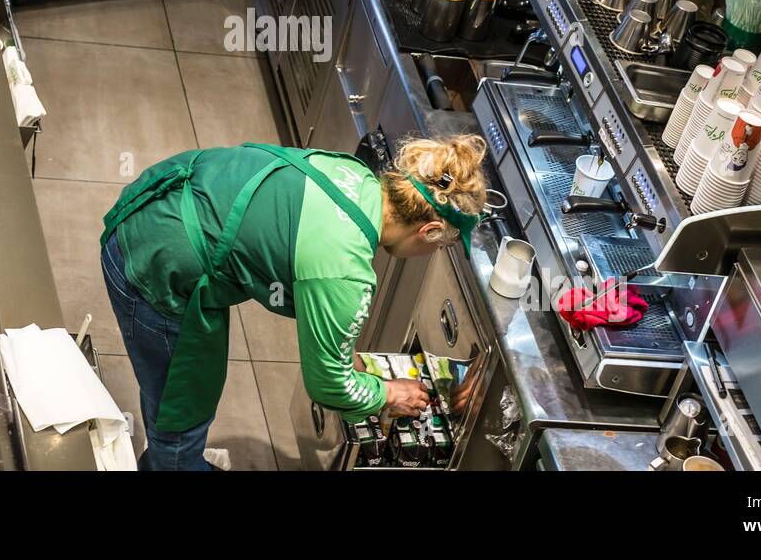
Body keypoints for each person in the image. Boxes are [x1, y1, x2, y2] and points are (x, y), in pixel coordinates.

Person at [99, 134, 489, 470]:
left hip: (160, 195)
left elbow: (293, 253)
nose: (434, 252)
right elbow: (328, 385)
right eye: (445, 244)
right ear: (431, 229)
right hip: (152, 259)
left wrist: (338, 346)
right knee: (178, 412)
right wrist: (389, 392)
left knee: (184, 399)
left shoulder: (353, 175)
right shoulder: (345, 270)